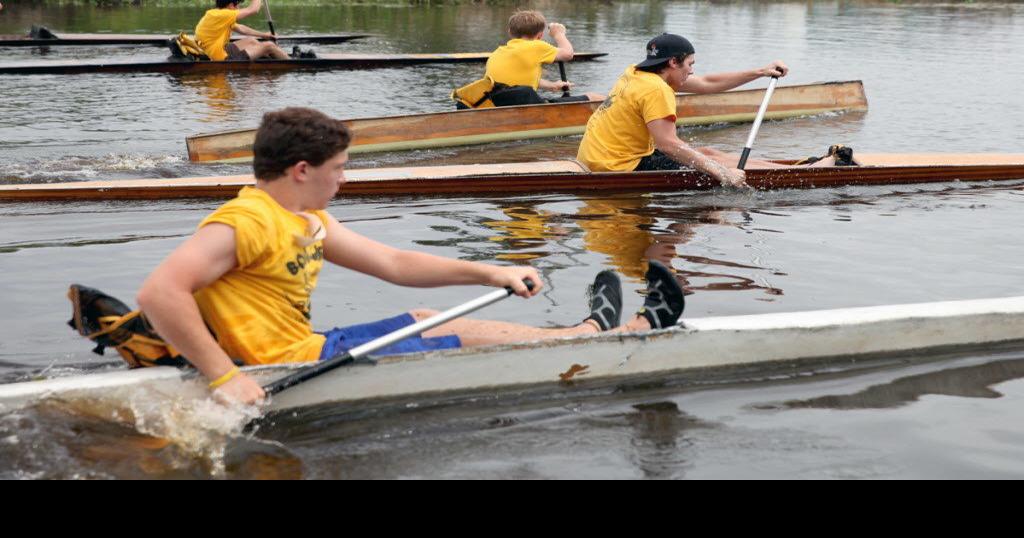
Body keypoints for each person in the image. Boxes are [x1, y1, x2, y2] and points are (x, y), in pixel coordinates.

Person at [136, 107, 687, 405]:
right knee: (423, 325)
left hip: (301, 348)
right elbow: (160, 292)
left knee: (422, 319)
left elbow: (395, 265)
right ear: (302, 171)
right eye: (339, 170)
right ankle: (608, 335)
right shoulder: (247, 219)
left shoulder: (307, 219)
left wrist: (488, 270)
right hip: (280, 368)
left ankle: (588, 329)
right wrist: (221, 377)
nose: (344, 180)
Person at [578, 33, 842, 189]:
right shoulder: (655, 90)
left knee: (707, 153)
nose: (692, 70)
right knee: (714, 162)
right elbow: (668, 144)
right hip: (616, 167)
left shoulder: (637, 72)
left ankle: (794, 168)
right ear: (672, 62)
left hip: (597, 156)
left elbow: (707, 83)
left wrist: (761, 72)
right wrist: (722, 174)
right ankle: (801, 175)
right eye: (690, 64)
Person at [453, 10, 604, 109]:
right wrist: (559, 34)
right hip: (520, 106)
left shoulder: (498, 52)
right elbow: (567, 54)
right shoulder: (536, 46)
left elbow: (511, 82)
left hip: (498, 104)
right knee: (595, 97)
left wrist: (552, 85)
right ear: (539, 36)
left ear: (510, 32)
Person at [194, 0, 289, 62]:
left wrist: (264, 35)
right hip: (220, 58)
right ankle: (291, 62)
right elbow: (253, 10)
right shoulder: (224, 14)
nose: (238, 8)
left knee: (251, 41)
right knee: (269, 46)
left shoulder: (215, 14)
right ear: (231, 5)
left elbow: (240, 28)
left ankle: (270, 56)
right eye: (238, 5)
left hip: (216, 50)